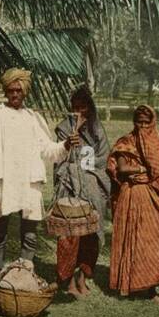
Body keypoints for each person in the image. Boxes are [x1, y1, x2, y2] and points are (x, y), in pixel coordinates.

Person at [0, 68, 77, 278]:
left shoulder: (34, 118)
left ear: (25, 92)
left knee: (30, 234)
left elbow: (49, 151)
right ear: (5, 91)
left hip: (29, 182)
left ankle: (24, 274)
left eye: (19, 90)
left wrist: (67, 144)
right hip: (3, 182)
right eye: (11, 90)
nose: (15, 94)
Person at [106, 105, 159, 300]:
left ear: (152, 122)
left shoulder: (156, 142)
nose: (142, 126)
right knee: (129, 238)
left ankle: (150, 287)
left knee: (150, 241)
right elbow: (122, 168)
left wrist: (142, 171)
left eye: (146, 122)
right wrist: (141, 170)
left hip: (152, 197)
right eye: (138, 122)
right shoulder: (125, 142)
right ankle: (126, 284)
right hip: (130, 195)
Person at [53, 85, 111, 297]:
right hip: (69, 187)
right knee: (70, 234)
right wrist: (69, 145)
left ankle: (83, 276)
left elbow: (103, 159)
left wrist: (84, 161)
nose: (78, 112)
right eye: (75, 108)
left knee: (91, 234)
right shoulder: (63, 128)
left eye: (83, 107)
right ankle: (67, 278)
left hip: (93, 187)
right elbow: (59, 159)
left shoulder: (97, 130)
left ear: (90, 107)